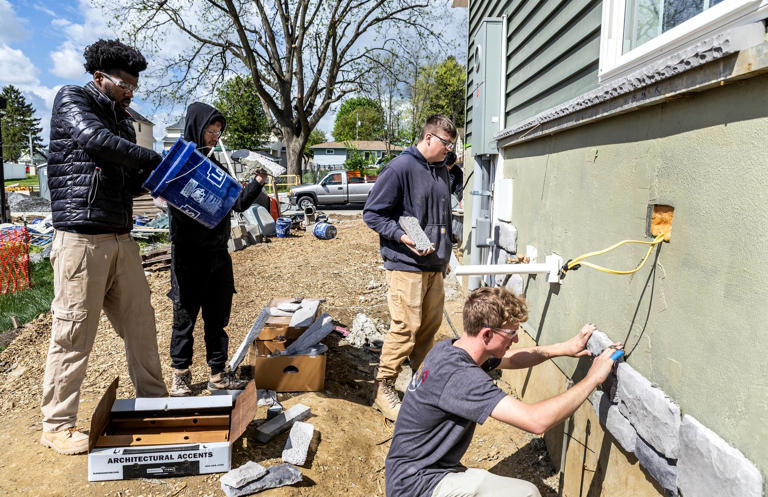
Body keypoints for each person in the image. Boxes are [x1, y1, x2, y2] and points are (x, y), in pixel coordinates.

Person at [41, 39, 168, 455]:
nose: (130, 91)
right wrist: (149, 158)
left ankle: (154, 401)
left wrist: (167, 178)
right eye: (124, 83)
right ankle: (57, 425)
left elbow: (129, 177)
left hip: (121, 236)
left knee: (141, 323)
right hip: (81, 239)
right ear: (100, 78)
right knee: (74, 330)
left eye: (134, 85)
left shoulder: (123, 119)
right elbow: (94, 141)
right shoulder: (73, 99)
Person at [385, 287, 622, 497]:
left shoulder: (449, 349)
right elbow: (536, 421)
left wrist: (563, 348)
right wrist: (593, 378)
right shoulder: (461, 377)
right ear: (486, 334)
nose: (517, 338)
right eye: (511, 333)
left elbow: (508, 358)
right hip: (417, 486)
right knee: (526, 493)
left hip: (408, 473)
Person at [168, 102, 267, 396]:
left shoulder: (216, 167)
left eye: (218, 132)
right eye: (210, 130)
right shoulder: (179, 165)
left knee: (217, 317)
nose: (214, 137)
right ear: (197, 128)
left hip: (217, 256)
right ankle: (180, 377)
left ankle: (218, 374)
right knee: (184, 319)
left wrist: (258, 181)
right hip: (187, 256)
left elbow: (237, 203)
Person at [363, 114, 457, 421]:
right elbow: (373, 214)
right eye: (445, 143)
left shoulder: (441, 168)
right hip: (406, 264)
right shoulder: (400, 168)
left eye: (451, 145)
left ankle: (422, 384)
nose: (448, 150)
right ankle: (383, 387)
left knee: (428, 330)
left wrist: (443, 255)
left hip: (434, 264)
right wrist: (402, 236)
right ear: (428, 138)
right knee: (405, 327)